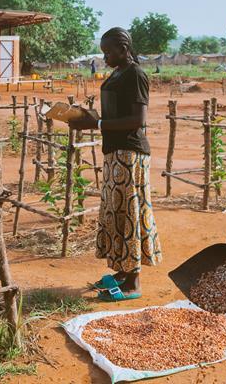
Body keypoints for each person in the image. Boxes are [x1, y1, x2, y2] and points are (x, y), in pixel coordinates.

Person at [70, 28, 161, 301]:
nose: (105, 56)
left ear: (123, 48)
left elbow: (137, 120)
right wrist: (90, 117)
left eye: (108, 51)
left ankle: (133, 283)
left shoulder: (135, 74)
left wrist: (95, 123)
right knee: (115, 212)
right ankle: (121, 273)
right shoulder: (118, 73)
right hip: (114, 153)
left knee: (129, 213)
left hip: (130, 154)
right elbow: (115, 113)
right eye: (103, 52)